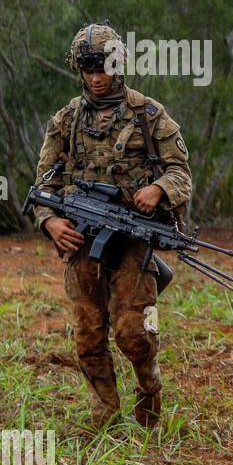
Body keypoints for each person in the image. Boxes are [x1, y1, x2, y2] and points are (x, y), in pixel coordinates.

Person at [32, 23, 192, 428]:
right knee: (87, 334)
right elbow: (44, 182)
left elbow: (181, 173)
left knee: (133, 331)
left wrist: (158, 189)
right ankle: (104, 409)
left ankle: (149, 389)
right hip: (80, 240)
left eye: (103, 67)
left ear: (118, 65)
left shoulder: (148, 115)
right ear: (78, 69)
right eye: (88, 69)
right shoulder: (66, 120)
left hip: (133, 238)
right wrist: (50, 221)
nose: (96, 77)